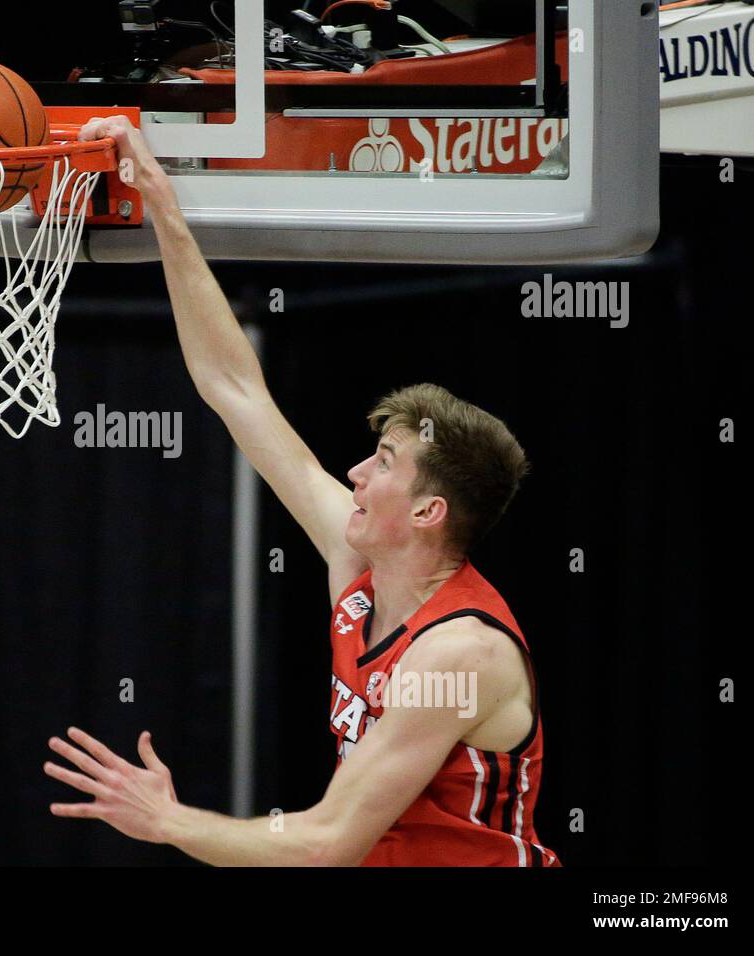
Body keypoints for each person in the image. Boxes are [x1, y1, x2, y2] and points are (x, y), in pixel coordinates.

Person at [44, 116, 560, 867]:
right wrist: (164, 209)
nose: (354, 473)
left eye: (382, 461)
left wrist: (169, 821)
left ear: (428, 511)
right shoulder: (361, 568)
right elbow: (234, 390)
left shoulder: (458, 654)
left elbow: (326, 843)